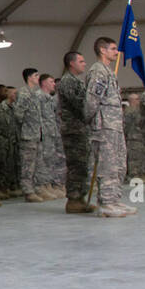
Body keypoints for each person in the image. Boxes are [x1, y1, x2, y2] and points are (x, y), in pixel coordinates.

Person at [83, 37, 132, 218]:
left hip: (114, 126)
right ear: (102, 50)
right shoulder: (98, 71)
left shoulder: (108, 71)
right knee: (107, 165)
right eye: (112, 49)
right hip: (104, 126)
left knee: (118, 164)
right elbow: (91, 101)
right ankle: (106, 203)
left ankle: (114, 199)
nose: (116, 52)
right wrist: (92, 122)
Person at [58, 52, 94, 213]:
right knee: (76, 165)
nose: (84, 64)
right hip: (73, 130)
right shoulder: (67, 81)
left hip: (80, 129)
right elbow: (80, 104)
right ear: (72, 63)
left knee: (82, 165)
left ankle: (80, 198)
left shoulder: (76, 81)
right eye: (81, 61)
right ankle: (73, 199)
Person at [14, 67, 46, 201]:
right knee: (27, 164)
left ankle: (35, 188)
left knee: (36, 163)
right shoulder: (24, 93)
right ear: (29, 77)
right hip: (27, 135)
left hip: (36, 134)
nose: (38, 78)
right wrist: (25, 127)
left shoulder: (35, 93)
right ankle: (28, 191)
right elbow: (18, 114)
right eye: (36, 75)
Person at [123, 94, 145, 183]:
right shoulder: (129, 111)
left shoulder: (138, 111)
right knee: (133, 159)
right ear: (131, 100)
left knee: (140, 158)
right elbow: (126, 125)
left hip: (139, 138)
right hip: (133, 138)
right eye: (137, 99)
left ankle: (140, 174)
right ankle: (134, 176)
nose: (138, 101)